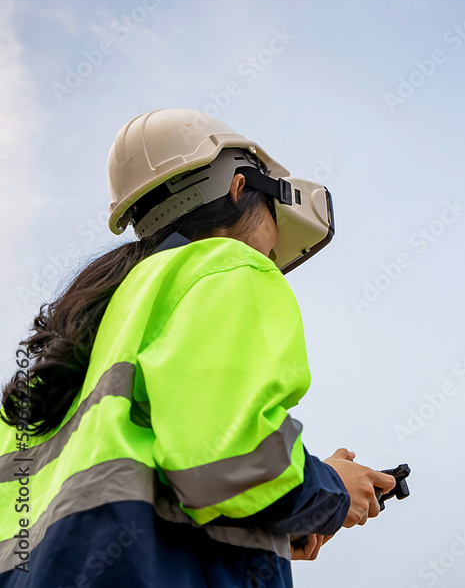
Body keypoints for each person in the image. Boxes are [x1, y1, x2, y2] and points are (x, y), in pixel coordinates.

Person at [0, 108, 396, 587]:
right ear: (238, 188)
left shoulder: (86, 327)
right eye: (273, 233)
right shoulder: (225, 266)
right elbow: (225, 463)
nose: (271, 255)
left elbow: (149, 476)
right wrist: (331, 489)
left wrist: (270, 523)